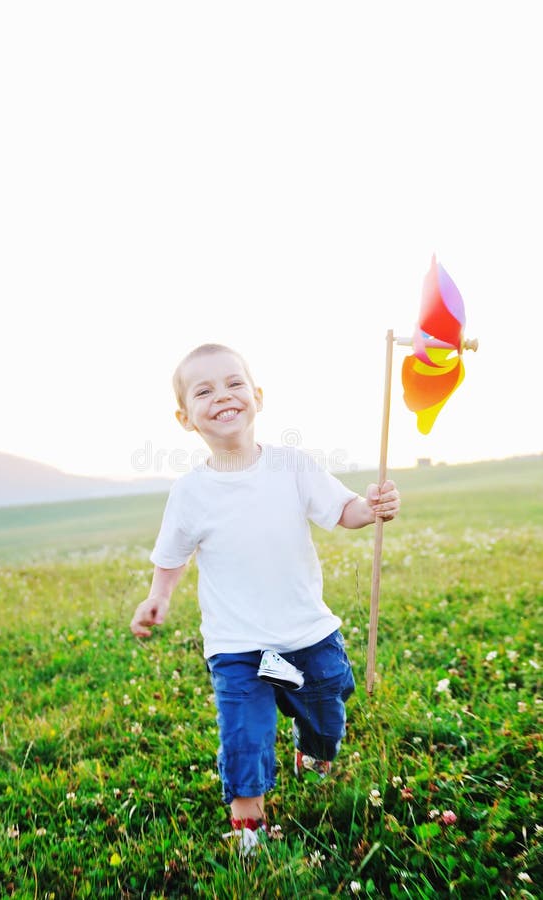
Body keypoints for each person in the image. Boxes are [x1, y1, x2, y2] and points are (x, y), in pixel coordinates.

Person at [130, 343, 401, 853]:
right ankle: (249, 831)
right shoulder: (189, 493)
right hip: (238, 648)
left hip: (306, 636)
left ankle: (313, 747)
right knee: (244, 738)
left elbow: (342, 510)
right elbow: (172, 553)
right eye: (203, 391)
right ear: (184, 417)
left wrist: (372, 506)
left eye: (234, 384)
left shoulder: (292, 466)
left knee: (326, 709)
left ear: (257, 395)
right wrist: (158, 596)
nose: (222, 396)